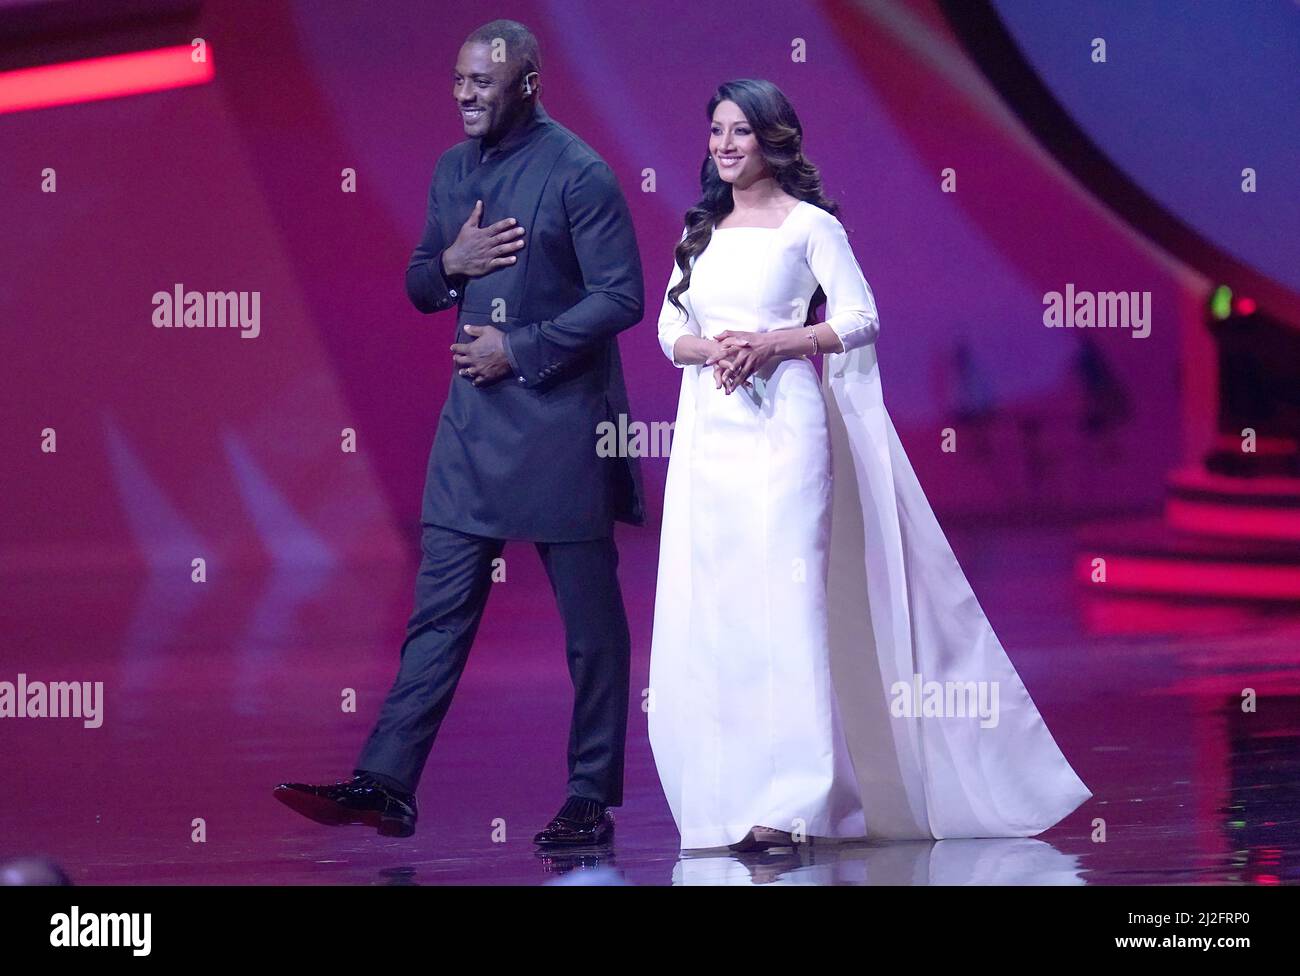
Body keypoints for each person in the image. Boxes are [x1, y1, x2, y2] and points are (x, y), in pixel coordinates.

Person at [648, 79, 1091, 851]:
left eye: (740, 132)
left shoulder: (811, 227)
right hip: (711, 436)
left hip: (786, 432)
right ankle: (733, 797)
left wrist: (776, 342)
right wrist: (714, 348)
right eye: (715, 130)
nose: (723, 145)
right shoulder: (700, 232)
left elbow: (860, 316)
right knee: (727, 619)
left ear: (773, 140)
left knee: (790, 612)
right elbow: (668, 330)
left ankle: (799, 804)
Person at [275, 20, 645, 848]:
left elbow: (622, 297)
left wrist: (518, 346)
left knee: (589, 631)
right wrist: (453, 264)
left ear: (529, 83)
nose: (465, 95)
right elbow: (417, 282)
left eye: (482, 81)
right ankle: (389, 782)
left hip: (561, 422)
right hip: (473, 429)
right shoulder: (452, 171)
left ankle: (591, 792)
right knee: (437, 616)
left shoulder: (581, 173)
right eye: (458, 81)